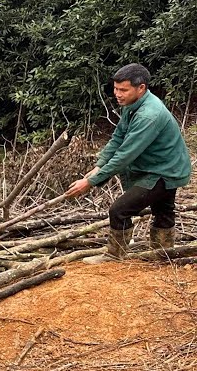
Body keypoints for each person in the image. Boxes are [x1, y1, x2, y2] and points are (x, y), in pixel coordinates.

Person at [67, 63, 190, 262]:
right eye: (116, 89)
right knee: (163, 211)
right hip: (160, 167)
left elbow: (125, 154)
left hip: (165, 171)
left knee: (119, 210)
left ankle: (115, 256)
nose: (117, 94)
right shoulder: (132, 105)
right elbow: (118, 138)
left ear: (141, 88)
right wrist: (99, 165)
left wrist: (91, 181)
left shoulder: (149, 115)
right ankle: (162, 257)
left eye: (123, 90)